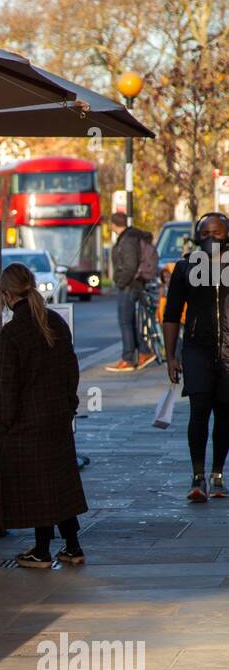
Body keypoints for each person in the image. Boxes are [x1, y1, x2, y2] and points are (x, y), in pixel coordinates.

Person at [0, 262, 88, 567]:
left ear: (6, 295)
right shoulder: (56, 322)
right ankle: (73, 546)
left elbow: (7, 387)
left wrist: (4, 426)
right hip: (58, 417)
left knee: (39, 489)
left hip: (26, 424)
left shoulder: (12, 333)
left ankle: (42, 550)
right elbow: (71, 370)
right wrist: (69, 406)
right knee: (59, 485)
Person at [163, 211, 229, 501]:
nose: (211, 238)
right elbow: (172, 314)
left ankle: (217, 473)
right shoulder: (185, 267)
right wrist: (170, 356)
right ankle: (197, 474)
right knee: (199, 411)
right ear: (196, 235)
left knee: (225, 414)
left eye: (218, 232)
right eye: (205, 233)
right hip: (196, 348)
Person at [106, 211, 157, 372]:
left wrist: (121, 282)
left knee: (125, 322)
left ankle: (128, 358)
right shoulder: (130, 237)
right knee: (130, 321)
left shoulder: (128, 240)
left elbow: (130, 265)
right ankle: (143, 352)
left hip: (130, 285)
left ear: (113, 225)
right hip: (134, 284)